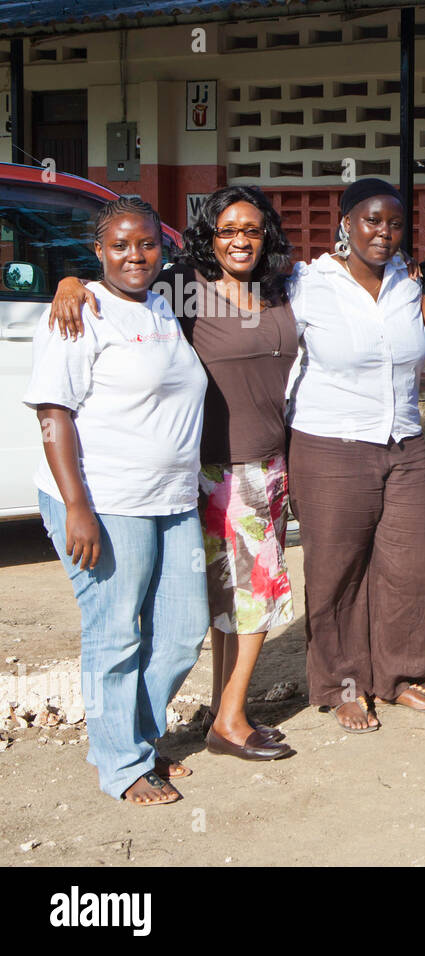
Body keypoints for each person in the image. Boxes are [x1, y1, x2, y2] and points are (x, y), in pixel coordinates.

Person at [51, 185, 299, 761]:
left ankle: (224, 710)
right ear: (209, 236)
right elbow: (118, 280)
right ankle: (230, 720)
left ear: (267, 236)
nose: (240, 240)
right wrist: (71, 284)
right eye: (228, 230)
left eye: (252, 230)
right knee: (247, 593)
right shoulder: (183, 285)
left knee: (233, 594)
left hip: (270, 462)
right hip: (215, 467)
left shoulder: (281, 286)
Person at [26, 197, 209, 804]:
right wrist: (77, 506)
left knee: (182, 631)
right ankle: (121, 763)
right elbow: (54, 414)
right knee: (115, 635)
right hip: (105, 499)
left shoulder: (160, 303)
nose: (136, 255)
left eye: (148, 243)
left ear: (163, 245)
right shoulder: (79, 312)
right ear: (99, 251)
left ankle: (135, 736)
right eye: (121, 246)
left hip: (171, 497)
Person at [287, 178, 425, 733]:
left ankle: (400, 677)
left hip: (403, 441)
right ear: (347, 222)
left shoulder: (409, 281)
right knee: (336, 571)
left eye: (395, 223)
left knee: (413, 565)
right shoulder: (306, 282)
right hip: (330, 443)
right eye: (372, 221)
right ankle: (343, 684)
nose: (384, 232)